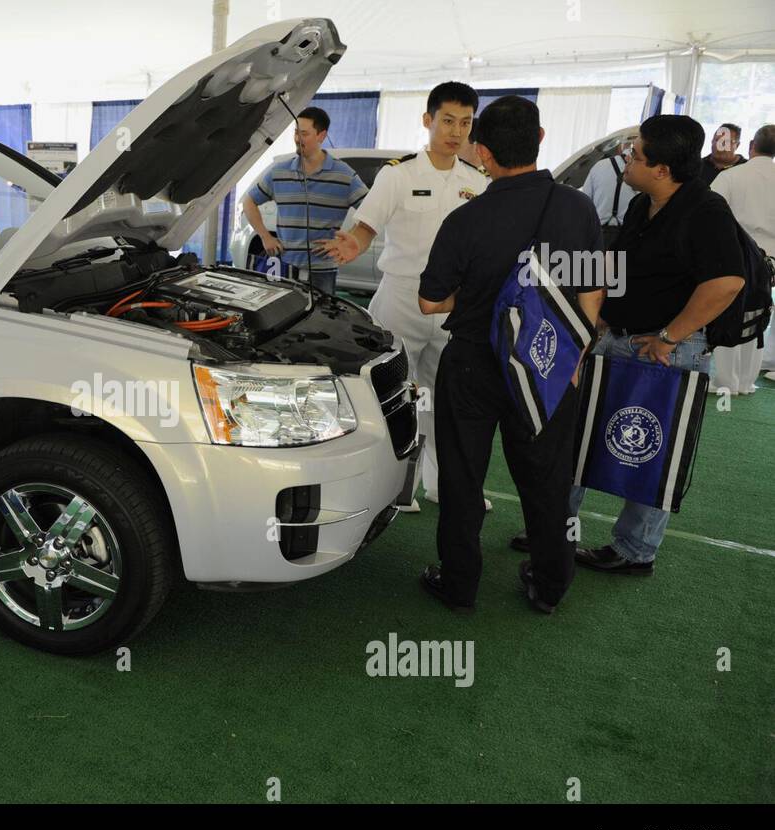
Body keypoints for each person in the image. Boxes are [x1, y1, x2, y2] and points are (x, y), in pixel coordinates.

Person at [413, 95, 604, 613]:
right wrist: (575, 357)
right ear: (541, 139)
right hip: (549, 360)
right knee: (546, 479)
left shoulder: (465, 218)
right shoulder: (578, 207)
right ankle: (550, 584)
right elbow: (592, 293)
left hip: (473, 361)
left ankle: (459, 584)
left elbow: (431, 299)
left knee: (462, 477)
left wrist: (474, 298)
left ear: (482, 152)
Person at [546, 114, 745, 575]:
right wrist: (599, 320)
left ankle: (634, 551)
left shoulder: (706, 211)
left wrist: (669, 337)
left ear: (661, 169)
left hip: (669, 350)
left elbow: (726, 283)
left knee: (649, 449)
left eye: (634, 154)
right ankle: (554, 529)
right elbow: (623, 269)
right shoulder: (644, 203)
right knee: (578, 436)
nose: (626, 160)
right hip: (616, 338)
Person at [313, 82, 490, 513]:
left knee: (439, 398)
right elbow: (367, 225)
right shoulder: (400, 174)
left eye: (465, 123)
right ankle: (393, 488)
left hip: (453, 306)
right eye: (447, 120)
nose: (455, 131)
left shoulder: (477, 182)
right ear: (428, 120)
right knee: (390, 395)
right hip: (403, 297)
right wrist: (353, 244)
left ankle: (441, 485)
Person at [241, 107, 367, 298]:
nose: (298, 139)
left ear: (321, 135)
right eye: (295, 132)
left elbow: (371, 212)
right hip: (284, 269)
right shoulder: (278, 172)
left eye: (304, 133)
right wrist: (265, 236)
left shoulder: (345, 176)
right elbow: (248, 201)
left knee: (318, 325)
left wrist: (348, 238)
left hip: (322, 273)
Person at [710, 125, 775, 394]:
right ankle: (747, 381)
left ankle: (727, 381)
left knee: (729, 311)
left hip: (736, 253)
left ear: (751, 145)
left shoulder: (731, 177)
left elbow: (710, 213)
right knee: (761, 313)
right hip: (771, 257)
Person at [581, 145, 638, 247]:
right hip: (627, 238)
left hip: (599, 236)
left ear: (620, 148)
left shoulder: (599, 166)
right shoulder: (642, 171)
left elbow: (584, 204)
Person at [698, 123, 746, 188]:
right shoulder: (697, 166)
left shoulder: (746, 168)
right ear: (712, 141)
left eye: (726, 142)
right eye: (717, 140)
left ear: (737, 145)